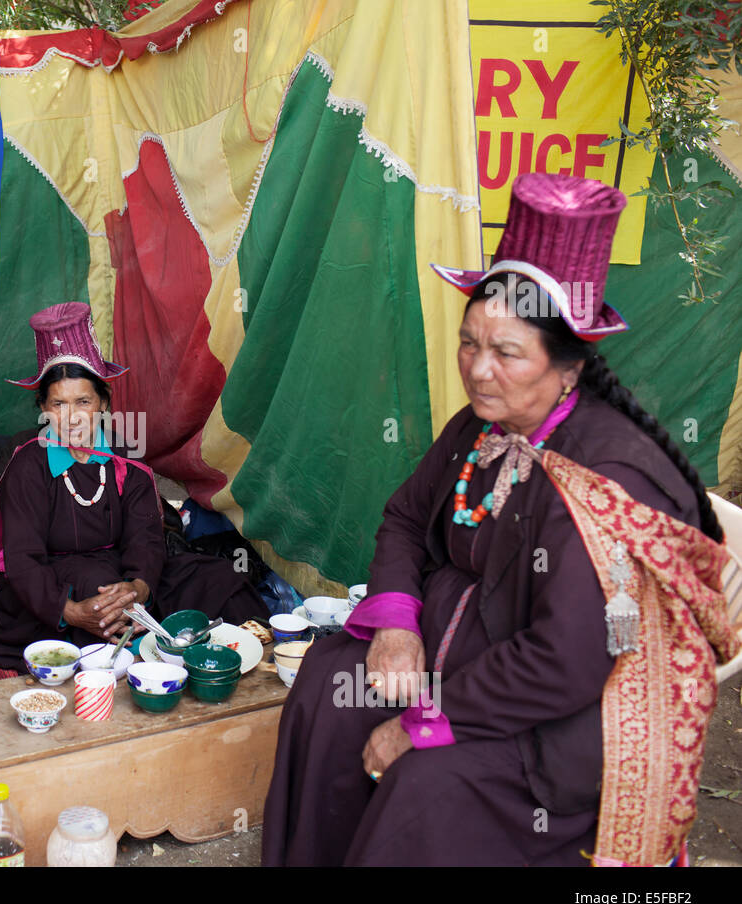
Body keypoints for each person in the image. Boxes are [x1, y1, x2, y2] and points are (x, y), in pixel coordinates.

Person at [262, 173, 737, 866]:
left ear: (568, 365)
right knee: (327, 695)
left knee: (426, 786)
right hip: (450, 661)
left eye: (507, 352)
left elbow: (565, 662)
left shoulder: (604, 479)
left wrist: (421, 723)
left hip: (557, 721)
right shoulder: (482, 427)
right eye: (469, 343)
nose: (479, 371)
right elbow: (402, 518)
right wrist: (396, 625)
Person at [0, 301, 268, 670]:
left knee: (217, 578)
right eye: (58, 404)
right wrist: (69, 611)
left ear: (103, 402)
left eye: (83, 401)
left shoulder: (126, 459)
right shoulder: (29, 463)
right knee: (98, 591)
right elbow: (23, 558)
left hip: (120, 574)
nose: (71, 417)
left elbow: (146, 537)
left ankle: (257, 664)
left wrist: (139, 587)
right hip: (50, 584)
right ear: (43, 407)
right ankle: (136, 675)